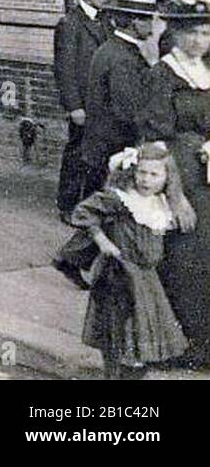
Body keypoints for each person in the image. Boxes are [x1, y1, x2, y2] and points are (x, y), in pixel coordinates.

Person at [67, 143, 188, 378]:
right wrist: (102, 240)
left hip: (145, 278)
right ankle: (114, 374)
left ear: (166, 177)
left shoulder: (160, 204)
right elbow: (84, 212)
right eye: (142, 172)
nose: (146, 180)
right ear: (133, 170)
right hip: (119, 273)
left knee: (141, 330)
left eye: (154, 174)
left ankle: (131, 374)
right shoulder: (122, 199)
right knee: (117, 330)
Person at [139, 0, 210, 366]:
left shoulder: (207, 70)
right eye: (193, 32)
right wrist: (176, 195)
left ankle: (205, 340)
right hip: (179, 173)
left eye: (206, 32)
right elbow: (156, 138)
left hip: (209, 172)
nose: (200, 40)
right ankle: (178, 342)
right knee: (184, 258)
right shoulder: (163, 74)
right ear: (178, 35)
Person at [77, 0, 158, 201]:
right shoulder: (124, 58)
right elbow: (128, 108)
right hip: (114, 144)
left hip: (100, 143)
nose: (151, 24)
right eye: (147, 19)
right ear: (133, 22)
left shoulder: (112, 49)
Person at [53, 0, 117, 221]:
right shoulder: (70, 24)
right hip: (83, 103)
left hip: (101, 102)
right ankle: (67, 205)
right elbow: (64, 69)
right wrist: (73, 106)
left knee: (95, 155)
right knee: (77, 154)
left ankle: (89, 204)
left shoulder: (104, 20)